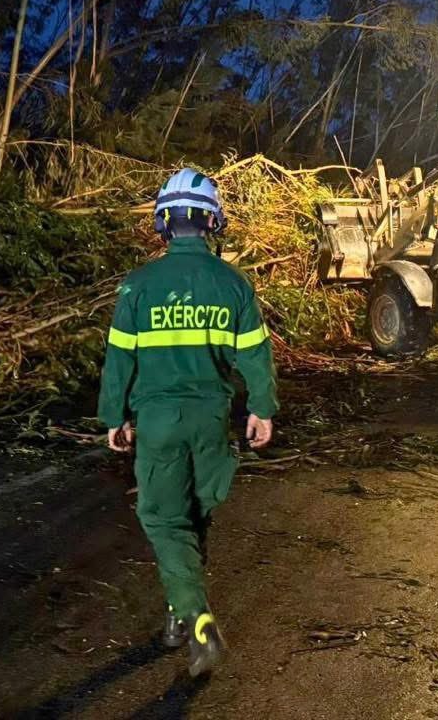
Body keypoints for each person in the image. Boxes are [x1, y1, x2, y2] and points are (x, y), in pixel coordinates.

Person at [97, 167, 278, 677]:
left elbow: (119, 363)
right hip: (211, 420)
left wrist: (114, 416)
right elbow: (255, 358)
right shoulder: (233, 284)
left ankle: (198, 620)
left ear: (163, 223)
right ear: (213, 222)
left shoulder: (138, 286)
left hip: (158, 421)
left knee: (163, 519)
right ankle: (179, 611)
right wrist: (261, 409)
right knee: (195, 514)